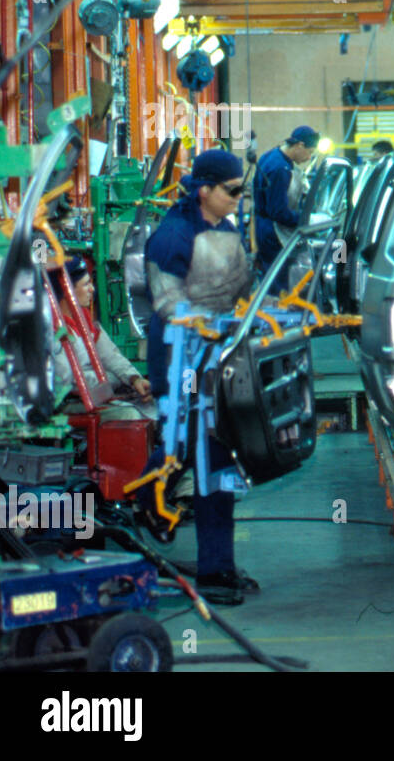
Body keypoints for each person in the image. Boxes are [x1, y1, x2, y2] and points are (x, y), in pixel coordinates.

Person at [139, 149, 256, 606]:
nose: (238, 198)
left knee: (213, 459)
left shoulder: (224, 230)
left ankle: (217, 565)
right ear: (204, 189)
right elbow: (167, 303)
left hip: (216, 359)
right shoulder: (172, 236)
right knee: (196, 452)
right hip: (180, 362)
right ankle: (152, 503)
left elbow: (241, 287)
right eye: (232, 190)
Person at [48, 257, 155, 419]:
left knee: (153, 409)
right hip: (67, 403)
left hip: (92, 395)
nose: (92, 289)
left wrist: (134, 379)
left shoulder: (85, 320)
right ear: (66, 290)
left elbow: (111, 356)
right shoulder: (53, 328)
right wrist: (108, 380)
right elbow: (65, 379)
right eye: (86, 284)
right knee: (130, 416)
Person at [253, 125, 318, 292]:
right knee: (280, 285)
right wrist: (308, 221)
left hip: (263, 227)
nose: (309, 157)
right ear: (299, 145)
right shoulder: (281, 169)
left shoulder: (271, 155)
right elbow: (278, 212)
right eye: (309, 152)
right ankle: (280, 315)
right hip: (274, 233)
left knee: (270, 278)